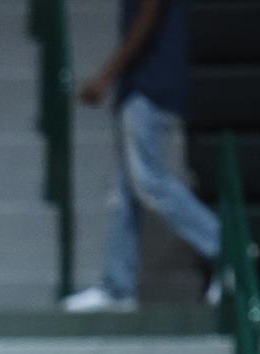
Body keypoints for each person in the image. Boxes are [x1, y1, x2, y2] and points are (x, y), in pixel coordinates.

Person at [63, 0, 220, 312]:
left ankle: (229, 248)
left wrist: (106, 76)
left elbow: (148, 17)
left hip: (149, 86)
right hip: (143, 86)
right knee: (125, 192)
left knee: (150, 182)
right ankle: (118, 286)